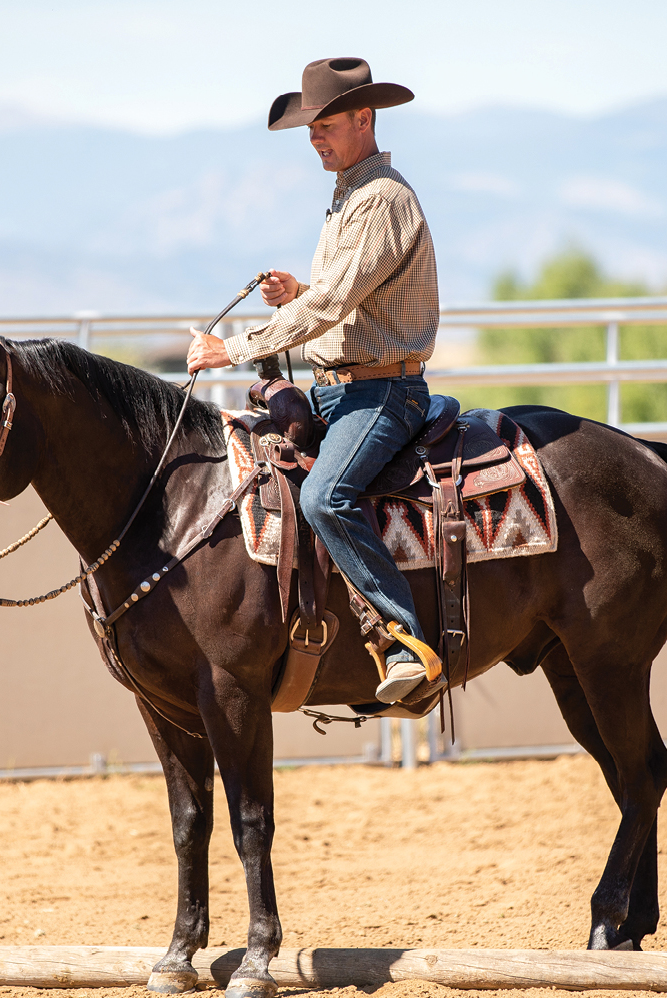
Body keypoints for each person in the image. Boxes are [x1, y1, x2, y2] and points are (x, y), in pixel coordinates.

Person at [187, 57, 443, 705]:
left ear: (365, 118)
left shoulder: (381, 199)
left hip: (382, 393)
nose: (314, 139)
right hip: (346, 388)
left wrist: (234, 350)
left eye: (324, 125)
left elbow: (332, 307)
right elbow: (340, 298)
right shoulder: (351, 196)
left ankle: (402, 638)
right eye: (309, 129)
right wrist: (296, 292)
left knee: (325, 497)